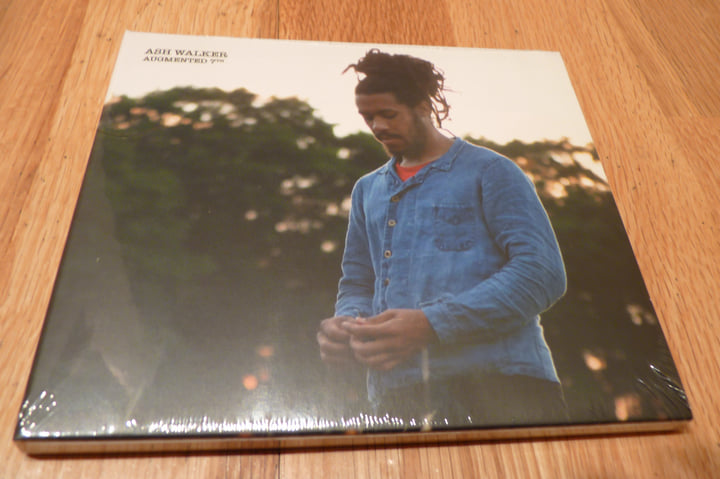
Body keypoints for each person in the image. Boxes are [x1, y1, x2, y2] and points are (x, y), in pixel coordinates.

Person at [317, 49, 568, 427]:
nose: (378, 126)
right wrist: (348, 323)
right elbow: (358, 281)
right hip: (398, 392)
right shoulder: (367, 189)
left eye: (388, 114)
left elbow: (542, 272)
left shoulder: (491, 171)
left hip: (502, 383)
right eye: (368, 117)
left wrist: (431, 323)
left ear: (423, 107)